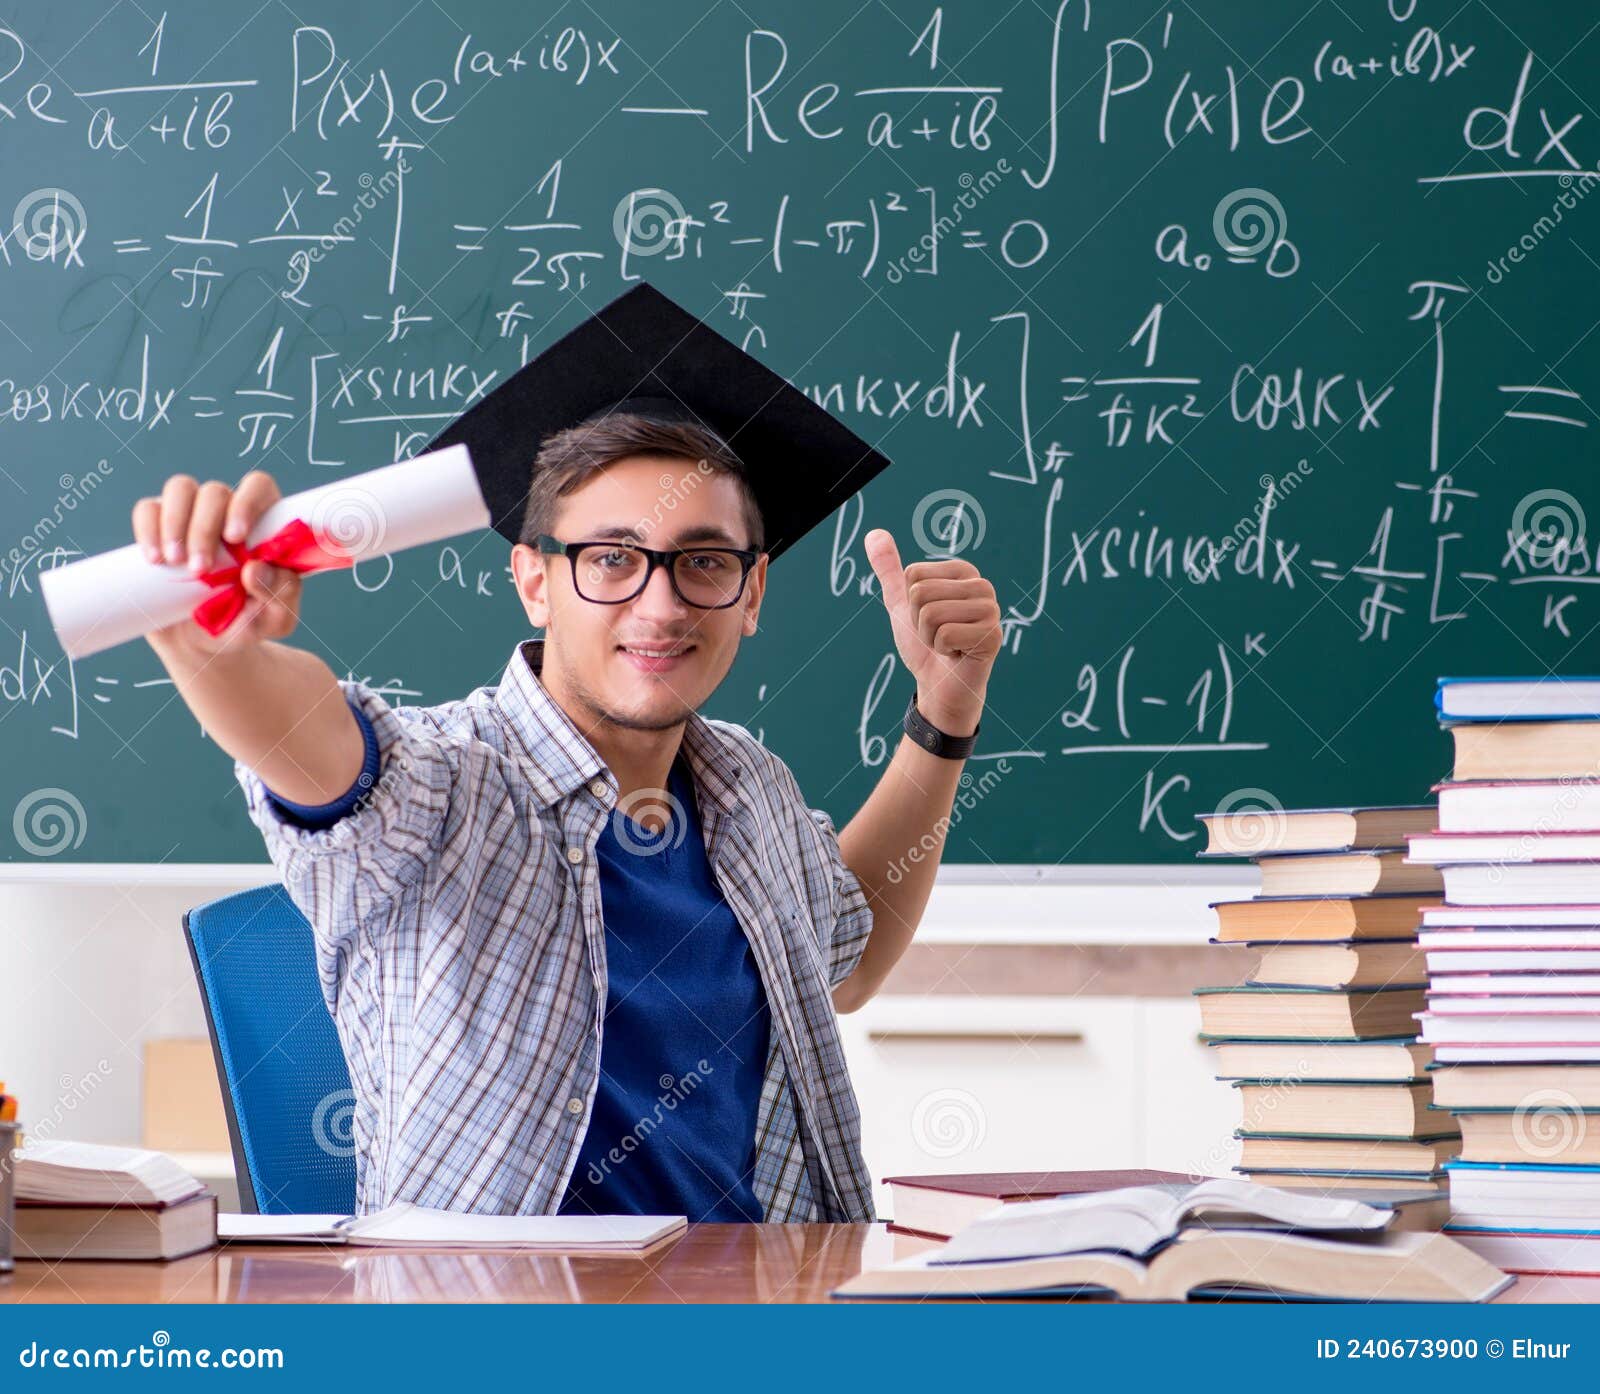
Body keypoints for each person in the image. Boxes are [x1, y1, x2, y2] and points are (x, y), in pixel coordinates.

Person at [134, 284, 1003, 1222]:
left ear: (753, 595)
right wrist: (218, 652)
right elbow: (310, 741)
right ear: (534, 581)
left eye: (704, 561)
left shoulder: (748, 788)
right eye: (611, 558)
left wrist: (942, 715)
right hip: (503, 1331)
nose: (660, 605)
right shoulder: (449, 784)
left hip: (769, 1310)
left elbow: (852, 954)